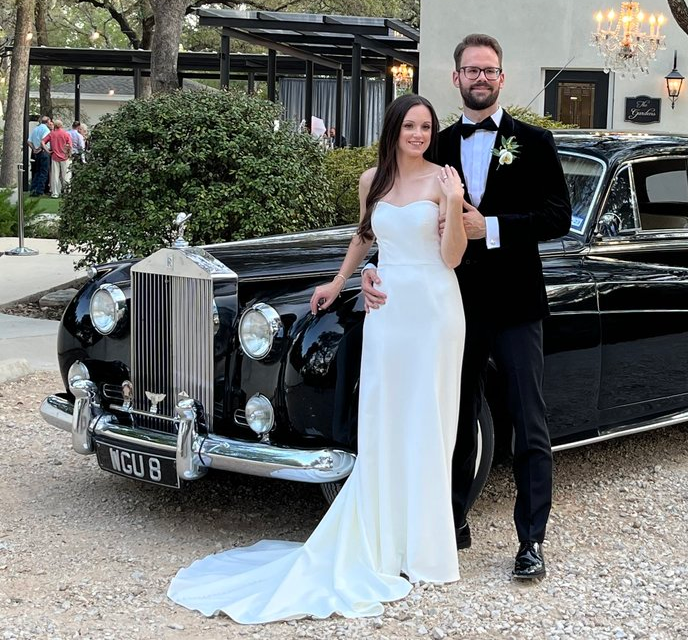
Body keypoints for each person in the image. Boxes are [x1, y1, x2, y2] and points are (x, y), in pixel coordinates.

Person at [167, 94, 468, 623]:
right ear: (394, 129)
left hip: (436, 311)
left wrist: (453, 202)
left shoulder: (444, 181)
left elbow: (451, 258)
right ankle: (381, 535)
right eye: (409, 126)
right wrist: (341, 280)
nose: (418, 135)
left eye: (426, 127)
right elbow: (366, 236)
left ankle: (423, 546)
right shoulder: (371, 179)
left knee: (431, 420)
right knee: (384, 419)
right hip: (388, 311)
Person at [363, 33, 571, 579]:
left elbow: (557, 218)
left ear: (502, 78)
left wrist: (493, 227)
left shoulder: (535, 141)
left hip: (518, 303)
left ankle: (531, 540)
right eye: (471, 70)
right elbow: (395, 216)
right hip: (452, 305)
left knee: (528, 420)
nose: (481, 78)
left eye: (490, 70)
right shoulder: (436, 145)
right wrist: (369, 271)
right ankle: (450, 522)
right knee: (451, 414)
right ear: (456, 78)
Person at [47, 119, 74, 198]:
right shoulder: (65, 134)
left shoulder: (52, 134)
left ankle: (55, 192)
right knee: (66, 175)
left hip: (55, 156)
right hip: (65, 157)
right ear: (61, 125)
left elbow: (42, 142)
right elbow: (70, 145)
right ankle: (67, 192)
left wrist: (48, 151)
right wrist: (68, 153)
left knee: (55, 175)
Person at [26, 116, 52, 197]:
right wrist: (40, 148)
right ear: (47, 121)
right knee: (44, 172)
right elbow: (43, 141)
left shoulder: (35, 129)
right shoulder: (46, 130)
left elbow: (29, 141)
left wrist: (34, 148)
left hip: (36, 153)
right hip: (44, 152)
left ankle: (33, 189)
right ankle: (40, 191)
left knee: (37, 171)